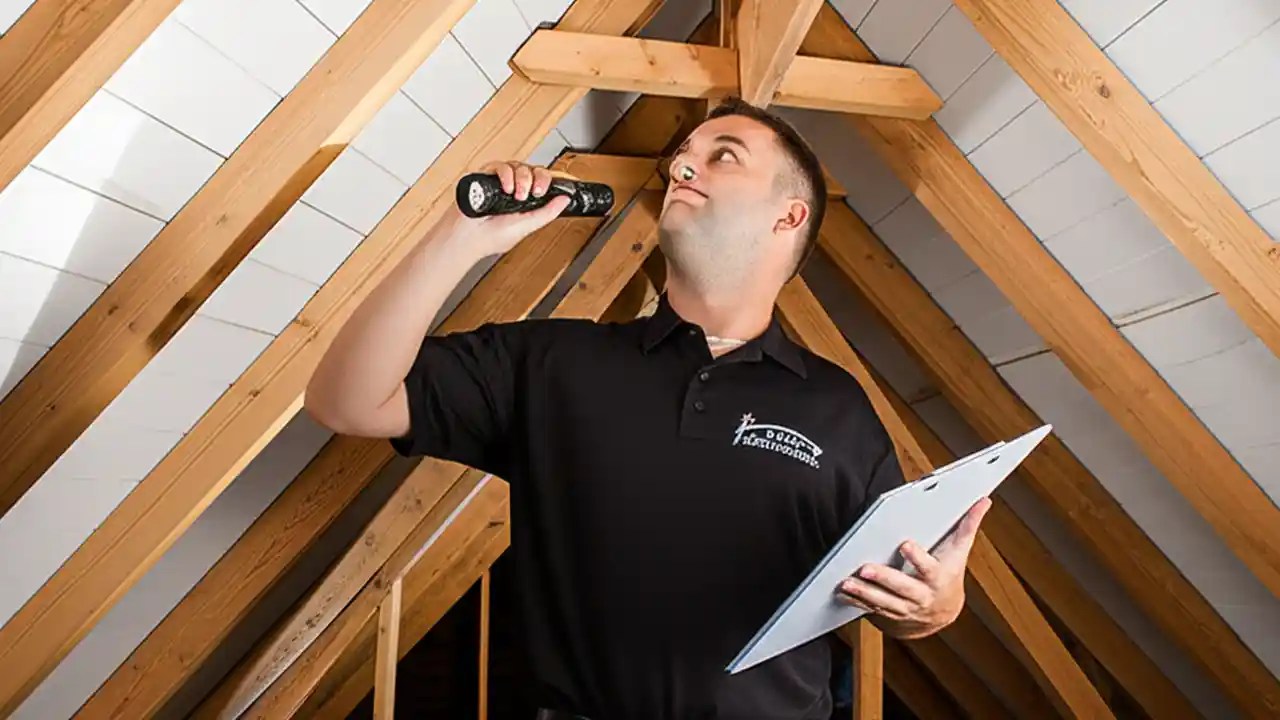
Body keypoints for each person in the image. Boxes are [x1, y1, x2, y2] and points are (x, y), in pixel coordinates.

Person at [305, 97, 990, 720]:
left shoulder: (837, 405)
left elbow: (903, 591)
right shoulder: (551, 363)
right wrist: (460, 239)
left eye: (722, 154)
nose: (684, 165)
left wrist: (937, 606)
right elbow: (346, 401)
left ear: (790, 214)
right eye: (682, 157)